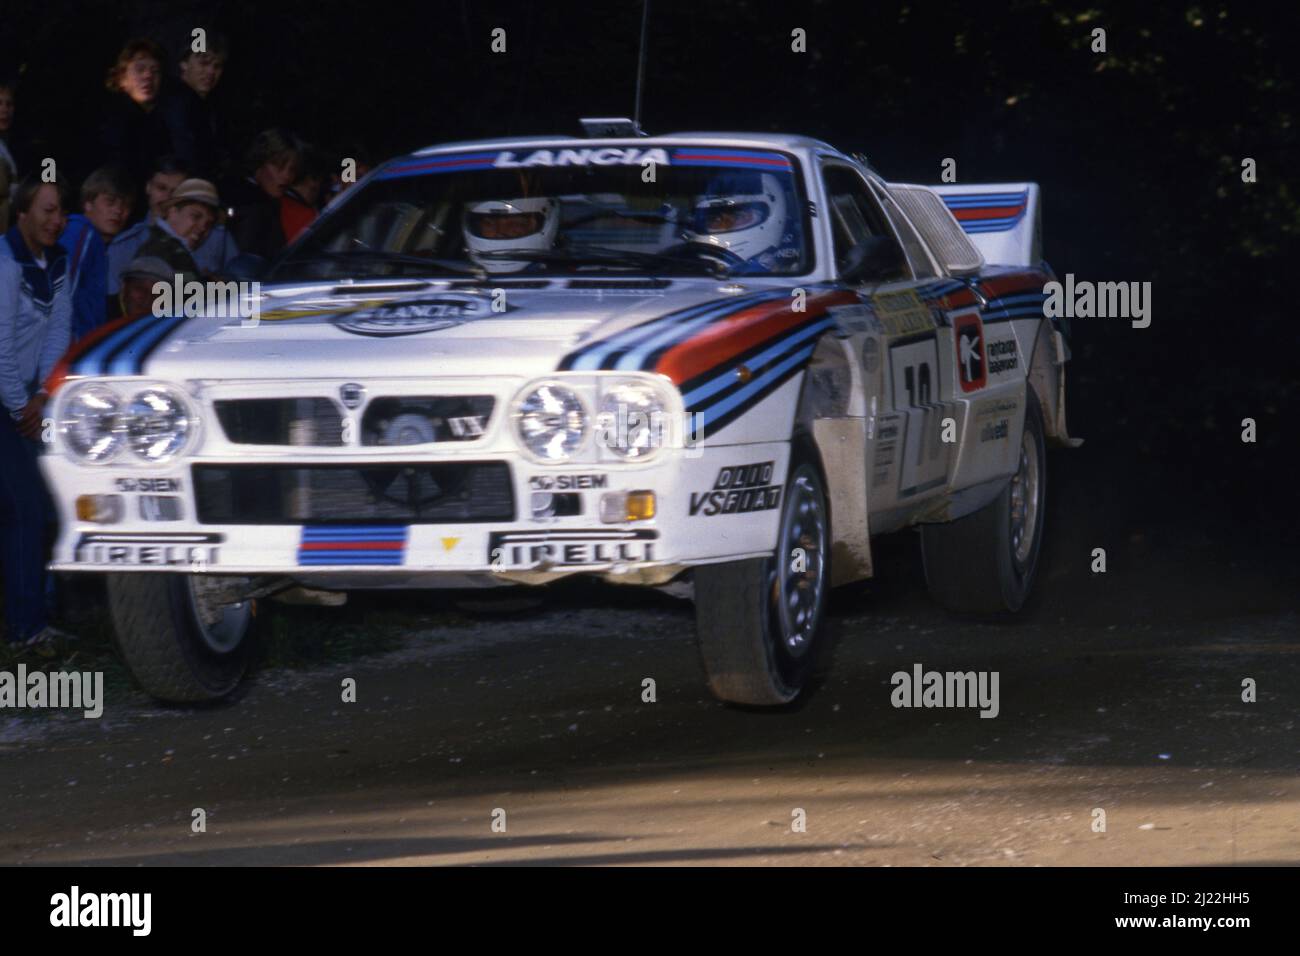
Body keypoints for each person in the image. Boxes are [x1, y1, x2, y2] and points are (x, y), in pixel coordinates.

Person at [0, 177, 71, 649]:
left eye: (59, 211)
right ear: (21, 214)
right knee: (23, 508)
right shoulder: (5, 263)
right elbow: (0, 345)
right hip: (6, 398)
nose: (55, 220)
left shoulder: (59, 262)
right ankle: (27, 628)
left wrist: (44, 397)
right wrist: (20, 404)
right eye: (45, 210)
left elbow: (57, 334)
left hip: (30, 400)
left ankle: (39, 613)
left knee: (48, 505)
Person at [107, 155, 238, 311]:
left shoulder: (217, 238)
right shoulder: (128, 244)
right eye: (162, 188)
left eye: (177, 191)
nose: (168, 197)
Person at [58, 166, 134, 339]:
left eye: (126, 205)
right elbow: (60, 297)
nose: (118, 211)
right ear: (88, 203)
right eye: (110, 202)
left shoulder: (97, 243)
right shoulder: (81, 232)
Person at [681, 171, 800, 273]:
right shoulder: (685, 266)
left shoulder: (797, 265)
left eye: (738, 216)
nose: (724, 225)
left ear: (772, 215)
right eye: (714, 219)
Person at [98, 39, 176, 192]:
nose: (148, 76)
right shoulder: (111, 120)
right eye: (140, 69)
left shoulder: (164, 119)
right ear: (122, 78)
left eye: (155, 71)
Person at [223, 128, 302, 260]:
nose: (286, 176)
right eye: (279, 166)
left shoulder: (269, 203)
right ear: (260, 162)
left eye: (292, 170)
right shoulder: (250, 207)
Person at [160, 30, 229, 178]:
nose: (211, 71)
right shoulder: (178, 102)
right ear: (184, 63)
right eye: (204, 63)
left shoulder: (205, 105)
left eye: (217, 66)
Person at [136, 177, 221, 280]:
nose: (203, 228)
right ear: (173, 212)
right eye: (195, 216)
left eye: (209, 224)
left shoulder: (168, 248)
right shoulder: (162, 251)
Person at [462, 197, 560, 273]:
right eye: (489, 224)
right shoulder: (454, 280)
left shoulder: (565, 282)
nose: (500, 232)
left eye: (514, 224)